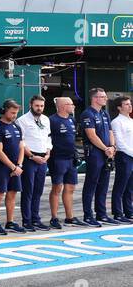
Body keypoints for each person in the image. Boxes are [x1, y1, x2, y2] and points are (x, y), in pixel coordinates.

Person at [0, 100, 25, 235]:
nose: (14, 115)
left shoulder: (16, 127)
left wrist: (19, 165)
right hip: (1, 167)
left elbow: (22, 147)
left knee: (12, 193)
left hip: (16, 167)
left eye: (16, 113)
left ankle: (10, 221)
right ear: (4, 110)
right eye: (12, 112)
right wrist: (12, 167)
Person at [16, 95, 52, 231]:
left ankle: (36, 218)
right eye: (37, 105)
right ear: (31, 104)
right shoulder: (22, 120)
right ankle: (27, 220)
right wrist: (31, 156)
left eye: (42, 106)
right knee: (28, 190)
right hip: (30, 158)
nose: (39, 108)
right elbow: (22, 142)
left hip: (43, 158)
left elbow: (48, 138)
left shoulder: (46, 119)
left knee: (38, 190)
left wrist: (48, 153)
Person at [80, 87, 115, 226]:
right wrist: (105, 148)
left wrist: (112, 146)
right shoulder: (88, 114)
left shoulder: (105, 114)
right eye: (103, 96)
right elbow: (91, 135)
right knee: (91, 184)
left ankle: (101, 213)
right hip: (95, 152)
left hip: (107, 152)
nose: (105, 99)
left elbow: (111, 131)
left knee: (104, 184)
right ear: (95, 98)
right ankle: (88, 215)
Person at [48, 96, 80, 228]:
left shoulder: (72, 119)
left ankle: (69, 216)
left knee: (70, 187)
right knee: (57, 187)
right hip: (58, 158)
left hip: (70, 158)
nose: (73, 106)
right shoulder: (52, 120)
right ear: (62, 106)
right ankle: (54, 217)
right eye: (70, 104)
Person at [111, 96, 133, 223]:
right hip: (124, 156)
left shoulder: (131, 121)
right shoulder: (116, 122)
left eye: (130, 104)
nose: (129, 106)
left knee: (130, 187)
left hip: (131, 156)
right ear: (119, 107)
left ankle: (129, 211)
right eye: (126, 104)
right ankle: (118, 213)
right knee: (120, 185)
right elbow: (119, 142)